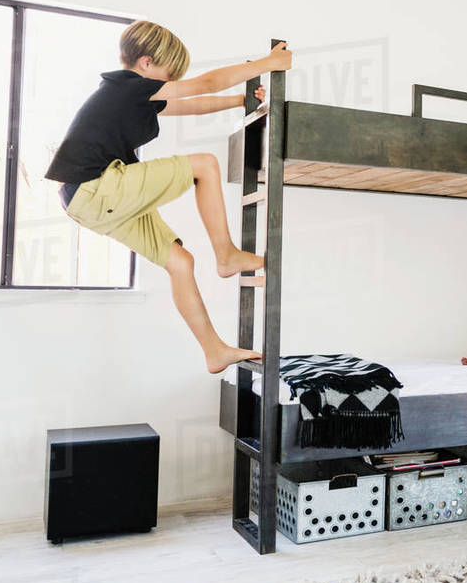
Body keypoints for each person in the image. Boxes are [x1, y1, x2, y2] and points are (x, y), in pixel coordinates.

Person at [44, 20, 293, 374]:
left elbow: (191, 105)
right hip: (96, 186)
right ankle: (226, 255)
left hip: (86, 200)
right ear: (146, 64)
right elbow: (204, 83)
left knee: (180, 262)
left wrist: (239, 100)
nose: (170, 83)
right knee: (205, 165)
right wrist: (266, 64)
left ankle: (214, 351)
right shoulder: (129, 88)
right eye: (168, 75)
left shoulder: (134, 97)